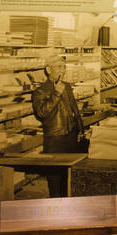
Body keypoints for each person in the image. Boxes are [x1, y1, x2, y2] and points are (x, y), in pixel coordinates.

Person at [31, 57, 83, 197]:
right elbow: (42, 113)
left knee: (69, 177)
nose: (63, 70)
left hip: (71, 136)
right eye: (59, 66)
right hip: (55, 139)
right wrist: (57, 93)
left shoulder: (66, 86)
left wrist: (80, 130)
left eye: (64, 67)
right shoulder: (40, 92)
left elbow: (75, 110)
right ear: (48, 70)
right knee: (55, 181)